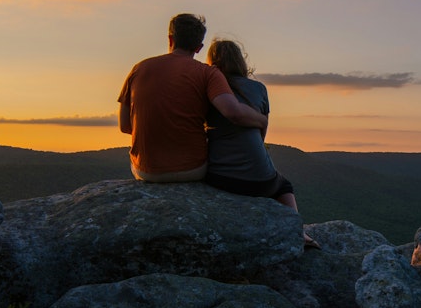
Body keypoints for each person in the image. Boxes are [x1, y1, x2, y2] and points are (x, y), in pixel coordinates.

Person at [118, 14, 267, 182]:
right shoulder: (208, 73)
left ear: (170, 39)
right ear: (199, 47)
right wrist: (261, 120)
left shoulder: (139, 68)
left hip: (145, 171)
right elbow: (233, 112)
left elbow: (125, 126)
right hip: (192, 169)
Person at [204, 39, 320, 249]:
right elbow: (261, 134)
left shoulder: (209, 88)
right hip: (260, 179)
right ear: (241, 61)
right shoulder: (259, 88)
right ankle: (299, 232)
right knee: (284, 185)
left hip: (219, 176)